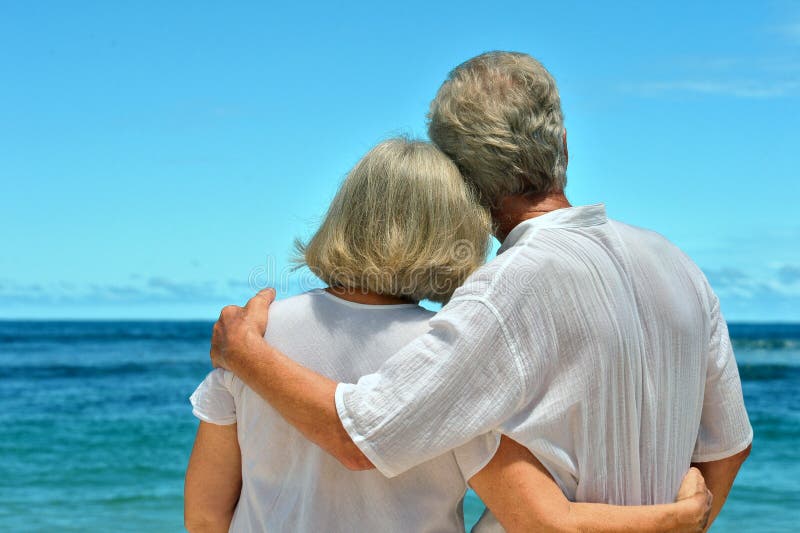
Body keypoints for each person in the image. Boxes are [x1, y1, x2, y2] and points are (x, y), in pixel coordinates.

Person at [209, 51, 751, 531]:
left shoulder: (504, 289)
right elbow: (728, 447)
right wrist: (679, 522)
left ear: (461, 183)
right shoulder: (679, 266)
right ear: (561, 142)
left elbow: (360, 437)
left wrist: (245, 354)